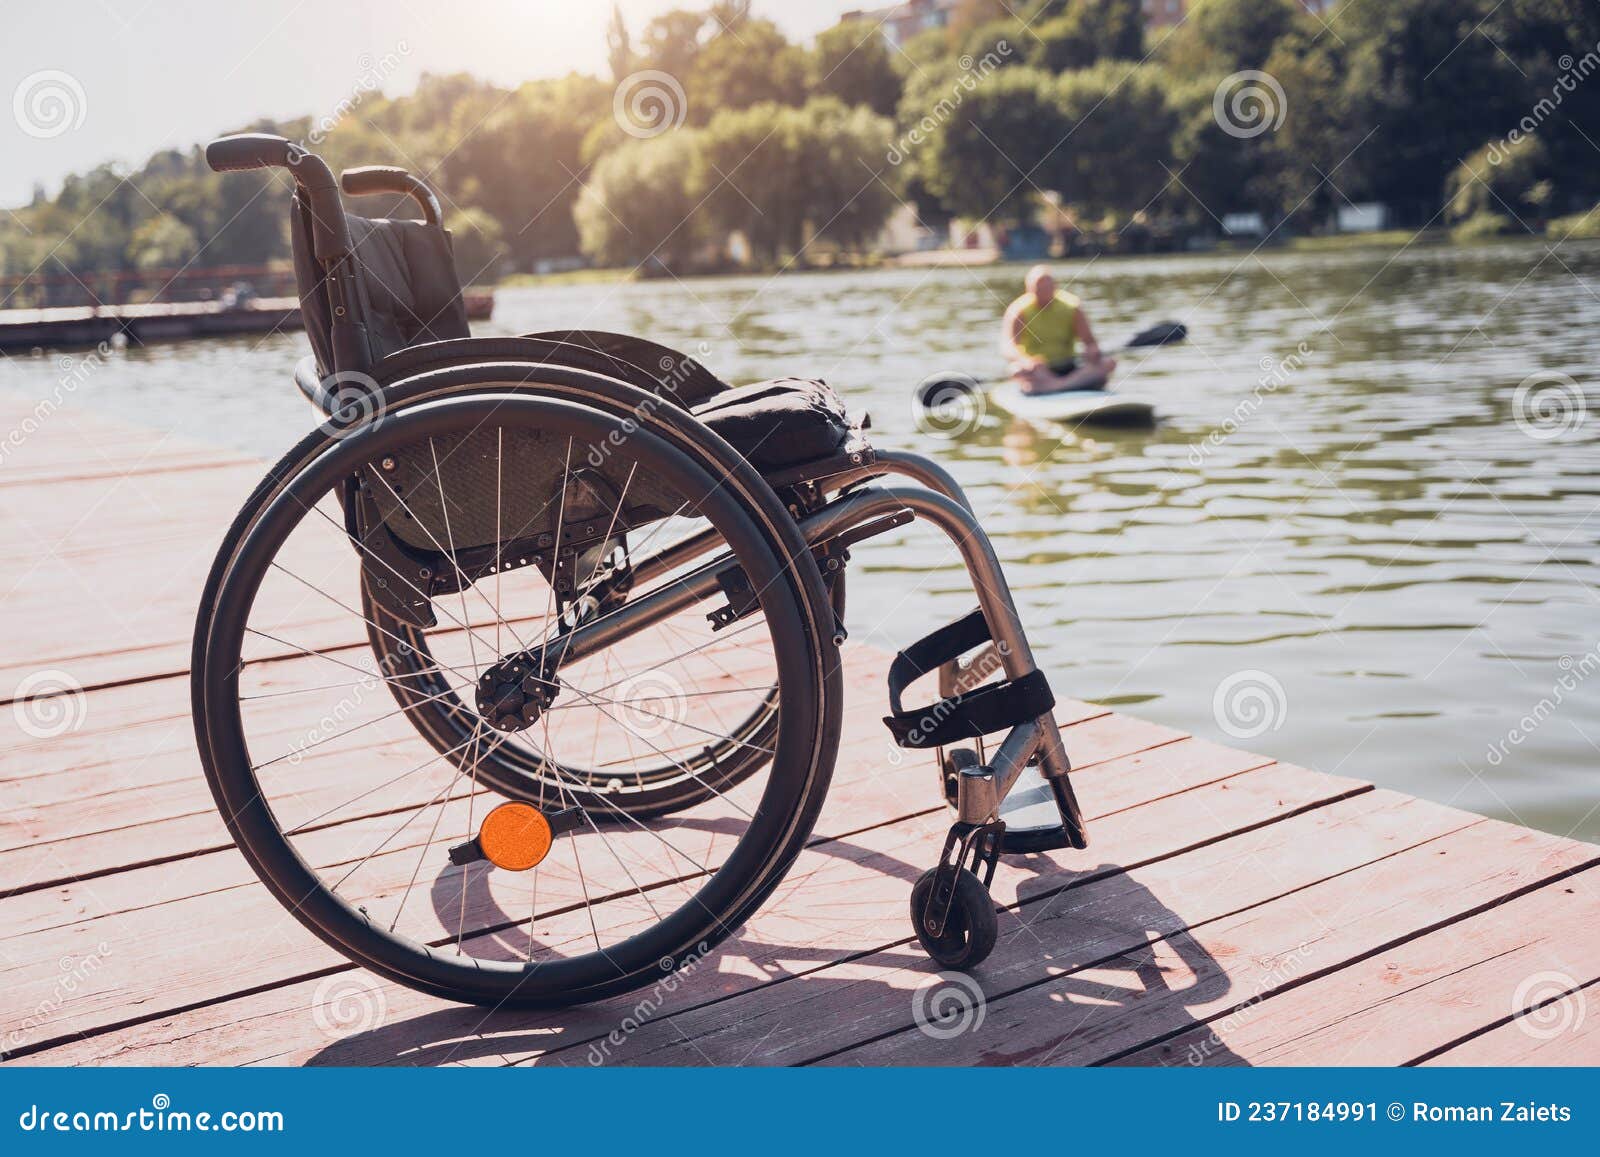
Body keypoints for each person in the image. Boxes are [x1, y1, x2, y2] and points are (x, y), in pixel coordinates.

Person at [1001, 265, 1117, 395]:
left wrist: (1092, 350)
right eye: (1038, 289)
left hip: (1068, 365)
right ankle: (1068, 385)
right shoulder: (1019, 311)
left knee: (1107, 363)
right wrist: (1025, 360)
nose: (1043, 292)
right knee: (1015, 370)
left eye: (1047, 288)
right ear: (1029, 289)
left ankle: (1056, 386)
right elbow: (1008, 347)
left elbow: (1090, 342)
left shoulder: (1072, 306)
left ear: (1054, 287)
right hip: (1039, 371)